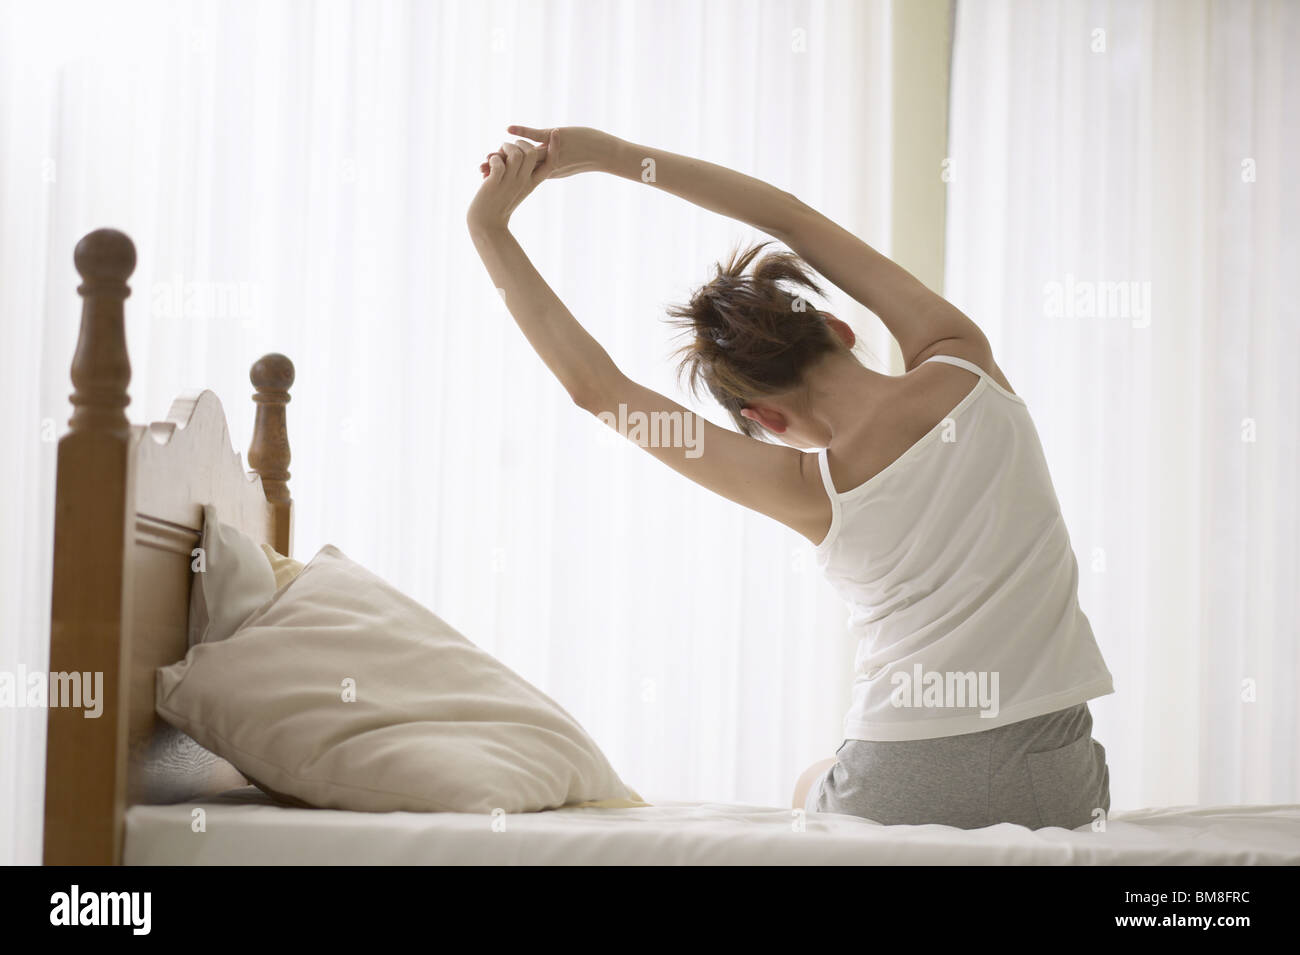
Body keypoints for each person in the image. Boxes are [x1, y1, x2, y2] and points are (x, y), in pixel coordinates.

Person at [467, 126, 1113, 830]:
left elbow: (597, 388)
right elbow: (791, 220)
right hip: (1056, 775)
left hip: (899, 779)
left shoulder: (809, 486)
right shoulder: (964, 362)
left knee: (810, 780)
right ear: (836, 327)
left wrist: (489, 226)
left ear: (767, 418)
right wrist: (613, 156)